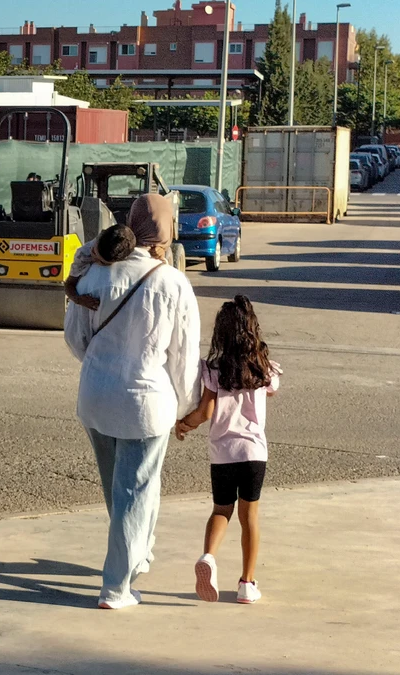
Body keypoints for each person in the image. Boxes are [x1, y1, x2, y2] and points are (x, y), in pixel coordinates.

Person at [63, 193, 201, 610]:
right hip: (145, 402)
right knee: (136, 490)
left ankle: (135, 552)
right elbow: (183, 354)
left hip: (95, 396)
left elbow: (75, 340)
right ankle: (117, 586)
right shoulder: (172, 281)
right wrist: (188, 408)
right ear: (166, 230)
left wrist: (102, 364)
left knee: (118, 489)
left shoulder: (93, 277)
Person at [176, 296, 280, 605]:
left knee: (222, 510)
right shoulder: (264, 367)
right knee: (250, 517)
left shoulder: (214, 369)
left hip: (222, 453)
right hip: (253, 453)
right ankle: (247, 583)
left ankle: (209, 557)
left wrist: (184, 424)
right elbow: (271, 390)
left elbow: (206, 412)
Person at [64, 225, 139, 311]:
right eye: (93, 251)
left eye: (101, 262)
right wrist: (78, 299)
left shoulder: (135, 250)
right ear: (101, 233)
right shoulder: (84, 254)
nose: (93, 256)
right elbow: (69, 284)